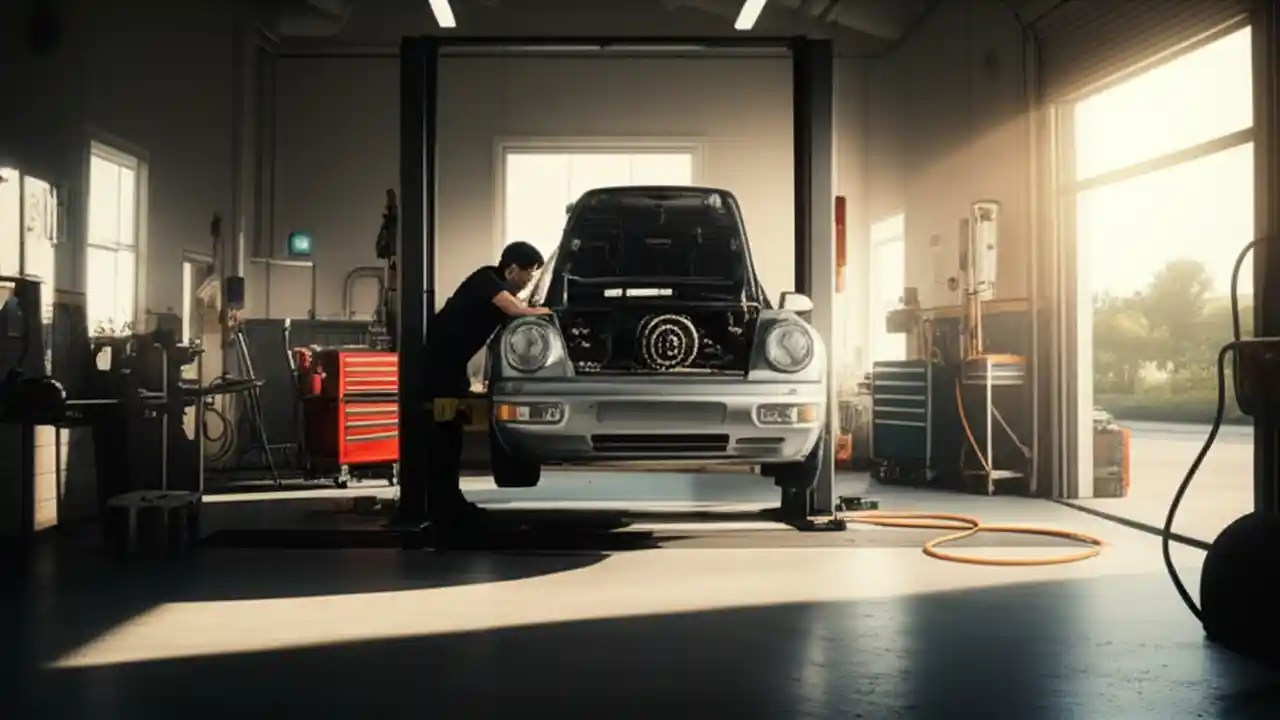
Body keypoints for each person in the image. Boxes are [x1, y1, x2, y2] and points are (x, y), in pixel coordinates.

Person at [425, 241, 551, 523]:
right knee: (443, 433)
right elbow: (517, 310)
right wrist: (547, 313)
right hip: (436, 368)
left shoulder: (497, 287)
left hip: (450, 368)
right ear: (511, 269)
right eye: (527, 273)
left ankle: (446, 498)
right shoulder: (486, 279)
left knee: (450, 431)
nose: (529, 279)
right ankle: (439, 501)